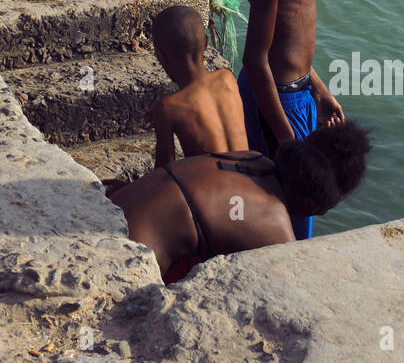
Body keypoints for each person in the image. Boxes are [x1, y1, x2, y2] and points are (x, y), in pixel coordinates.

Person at [238, 0, 345, 240]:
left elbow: (291, 37)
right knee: (293, 215)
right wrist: (286, 140)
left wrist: (318, 88)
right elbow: (255, 59)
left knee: (292, 207)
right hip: (276, 98)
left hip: (298, 90)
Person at [111, 121, 370, 284]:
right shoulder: (276, 231)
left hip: (109, 218)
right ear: (329, 201)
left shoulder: (251, 158)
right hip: (119, 265)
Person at [148, 5, 248, 165]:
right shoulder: (227, 78)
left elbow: (164, 172)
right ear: (206, 44)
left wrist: (129, 188)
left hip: (216, 188)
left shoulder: (168, 107)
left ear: (160, 55)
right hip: (252, 178)